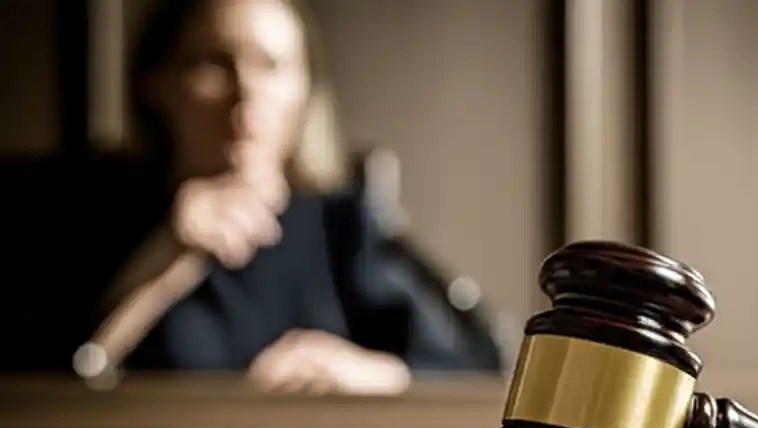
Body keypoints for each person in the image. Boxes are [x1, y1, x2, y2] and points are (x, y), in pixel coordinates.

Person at [0, 0, 506, 392]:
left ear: (305, 89)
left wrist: (368, 373)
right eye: (214, 63)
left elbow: (479, 362)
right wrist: (163, 260)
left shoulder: (340, 222)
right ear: (158, 83)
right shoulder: (84, 213)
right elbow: (46, 385)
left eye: (272, 65)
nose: (246, 92)